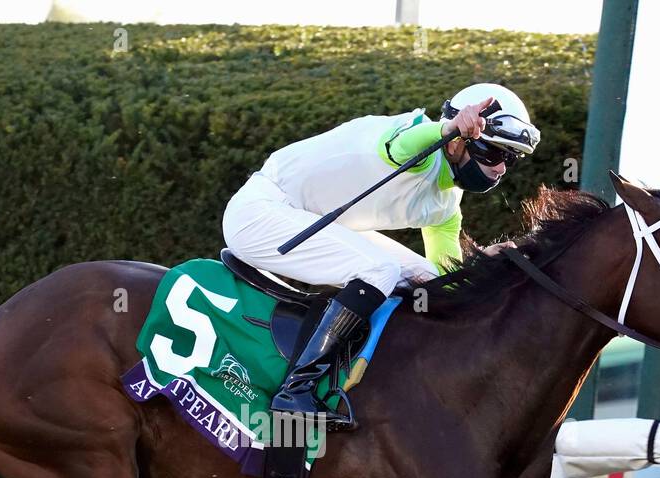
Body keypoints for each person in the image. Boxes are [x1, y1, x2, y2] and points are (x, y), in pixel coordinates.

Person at [221, 83, 540, 429]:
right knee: (380, 269)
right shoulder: (412, 144)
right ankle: (296, 390)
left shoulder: (446, 207)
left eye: (509, 159)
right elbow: (402, 146)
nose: (501, 169)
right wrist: (448, 127)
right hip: (260, 214)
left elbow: (446, 279)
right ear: (456, 142)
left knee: (427, 279)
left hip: (305, 219)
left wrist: (482, 263)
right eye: (494, 154)